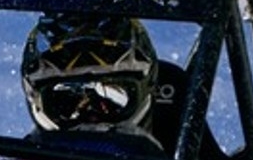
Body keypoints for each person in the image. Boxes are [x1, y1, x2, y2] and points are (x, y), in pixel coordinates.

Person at [20, 13, 162, 147]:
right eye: (66, 103)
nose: (92, 120)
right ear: (36, 100)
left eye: (114, 101)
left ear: (147, 88)